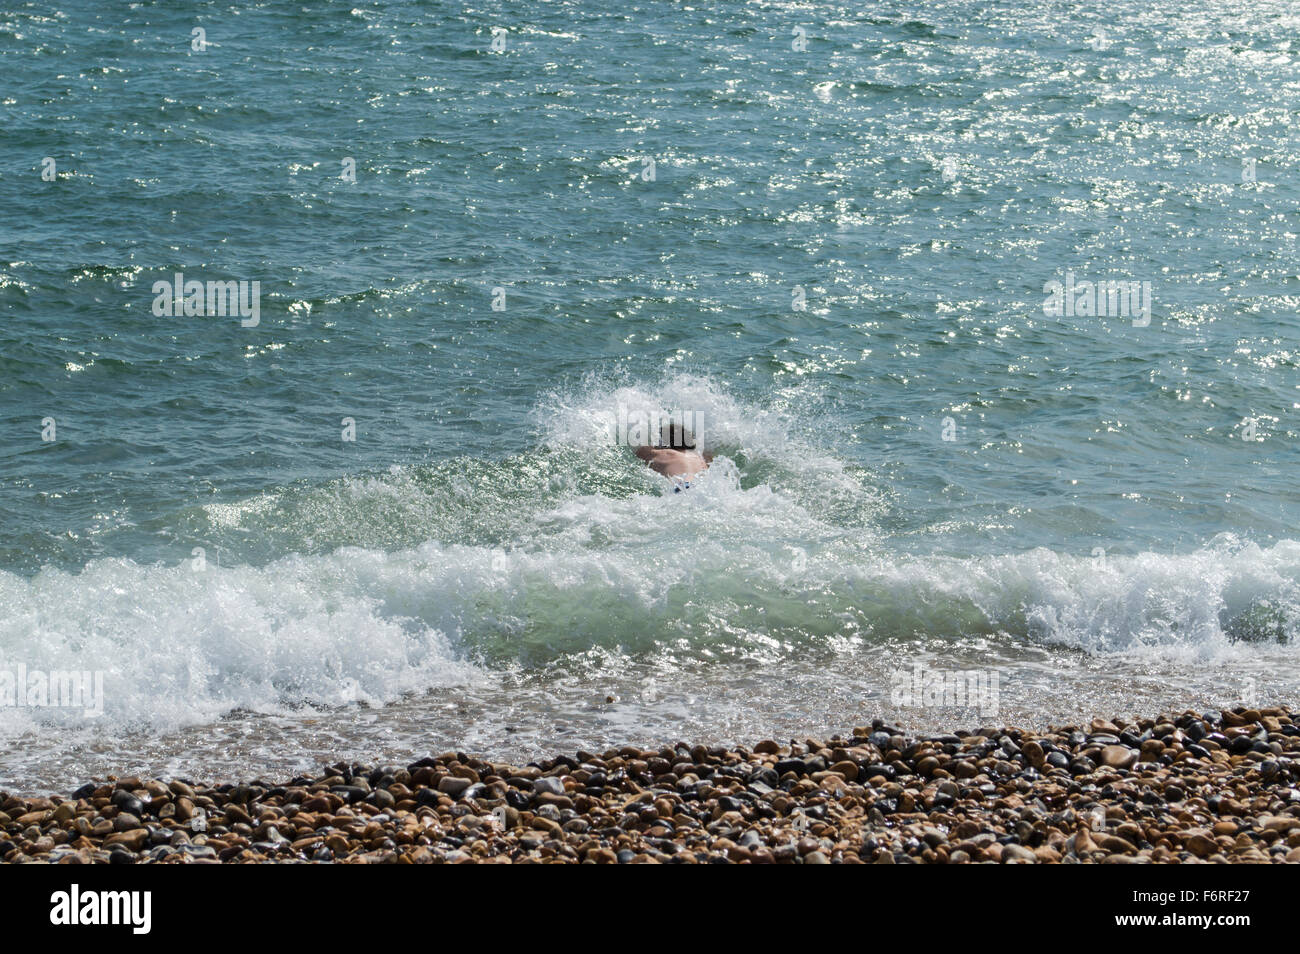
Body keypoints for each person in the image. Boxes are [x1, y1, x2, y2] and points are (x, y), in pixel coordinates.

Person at [634, 420, 712, 491]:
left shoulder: (666, 453)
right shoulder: (699, 458)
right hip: (701, 489)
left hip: (681, 488)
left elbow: (640, 451)